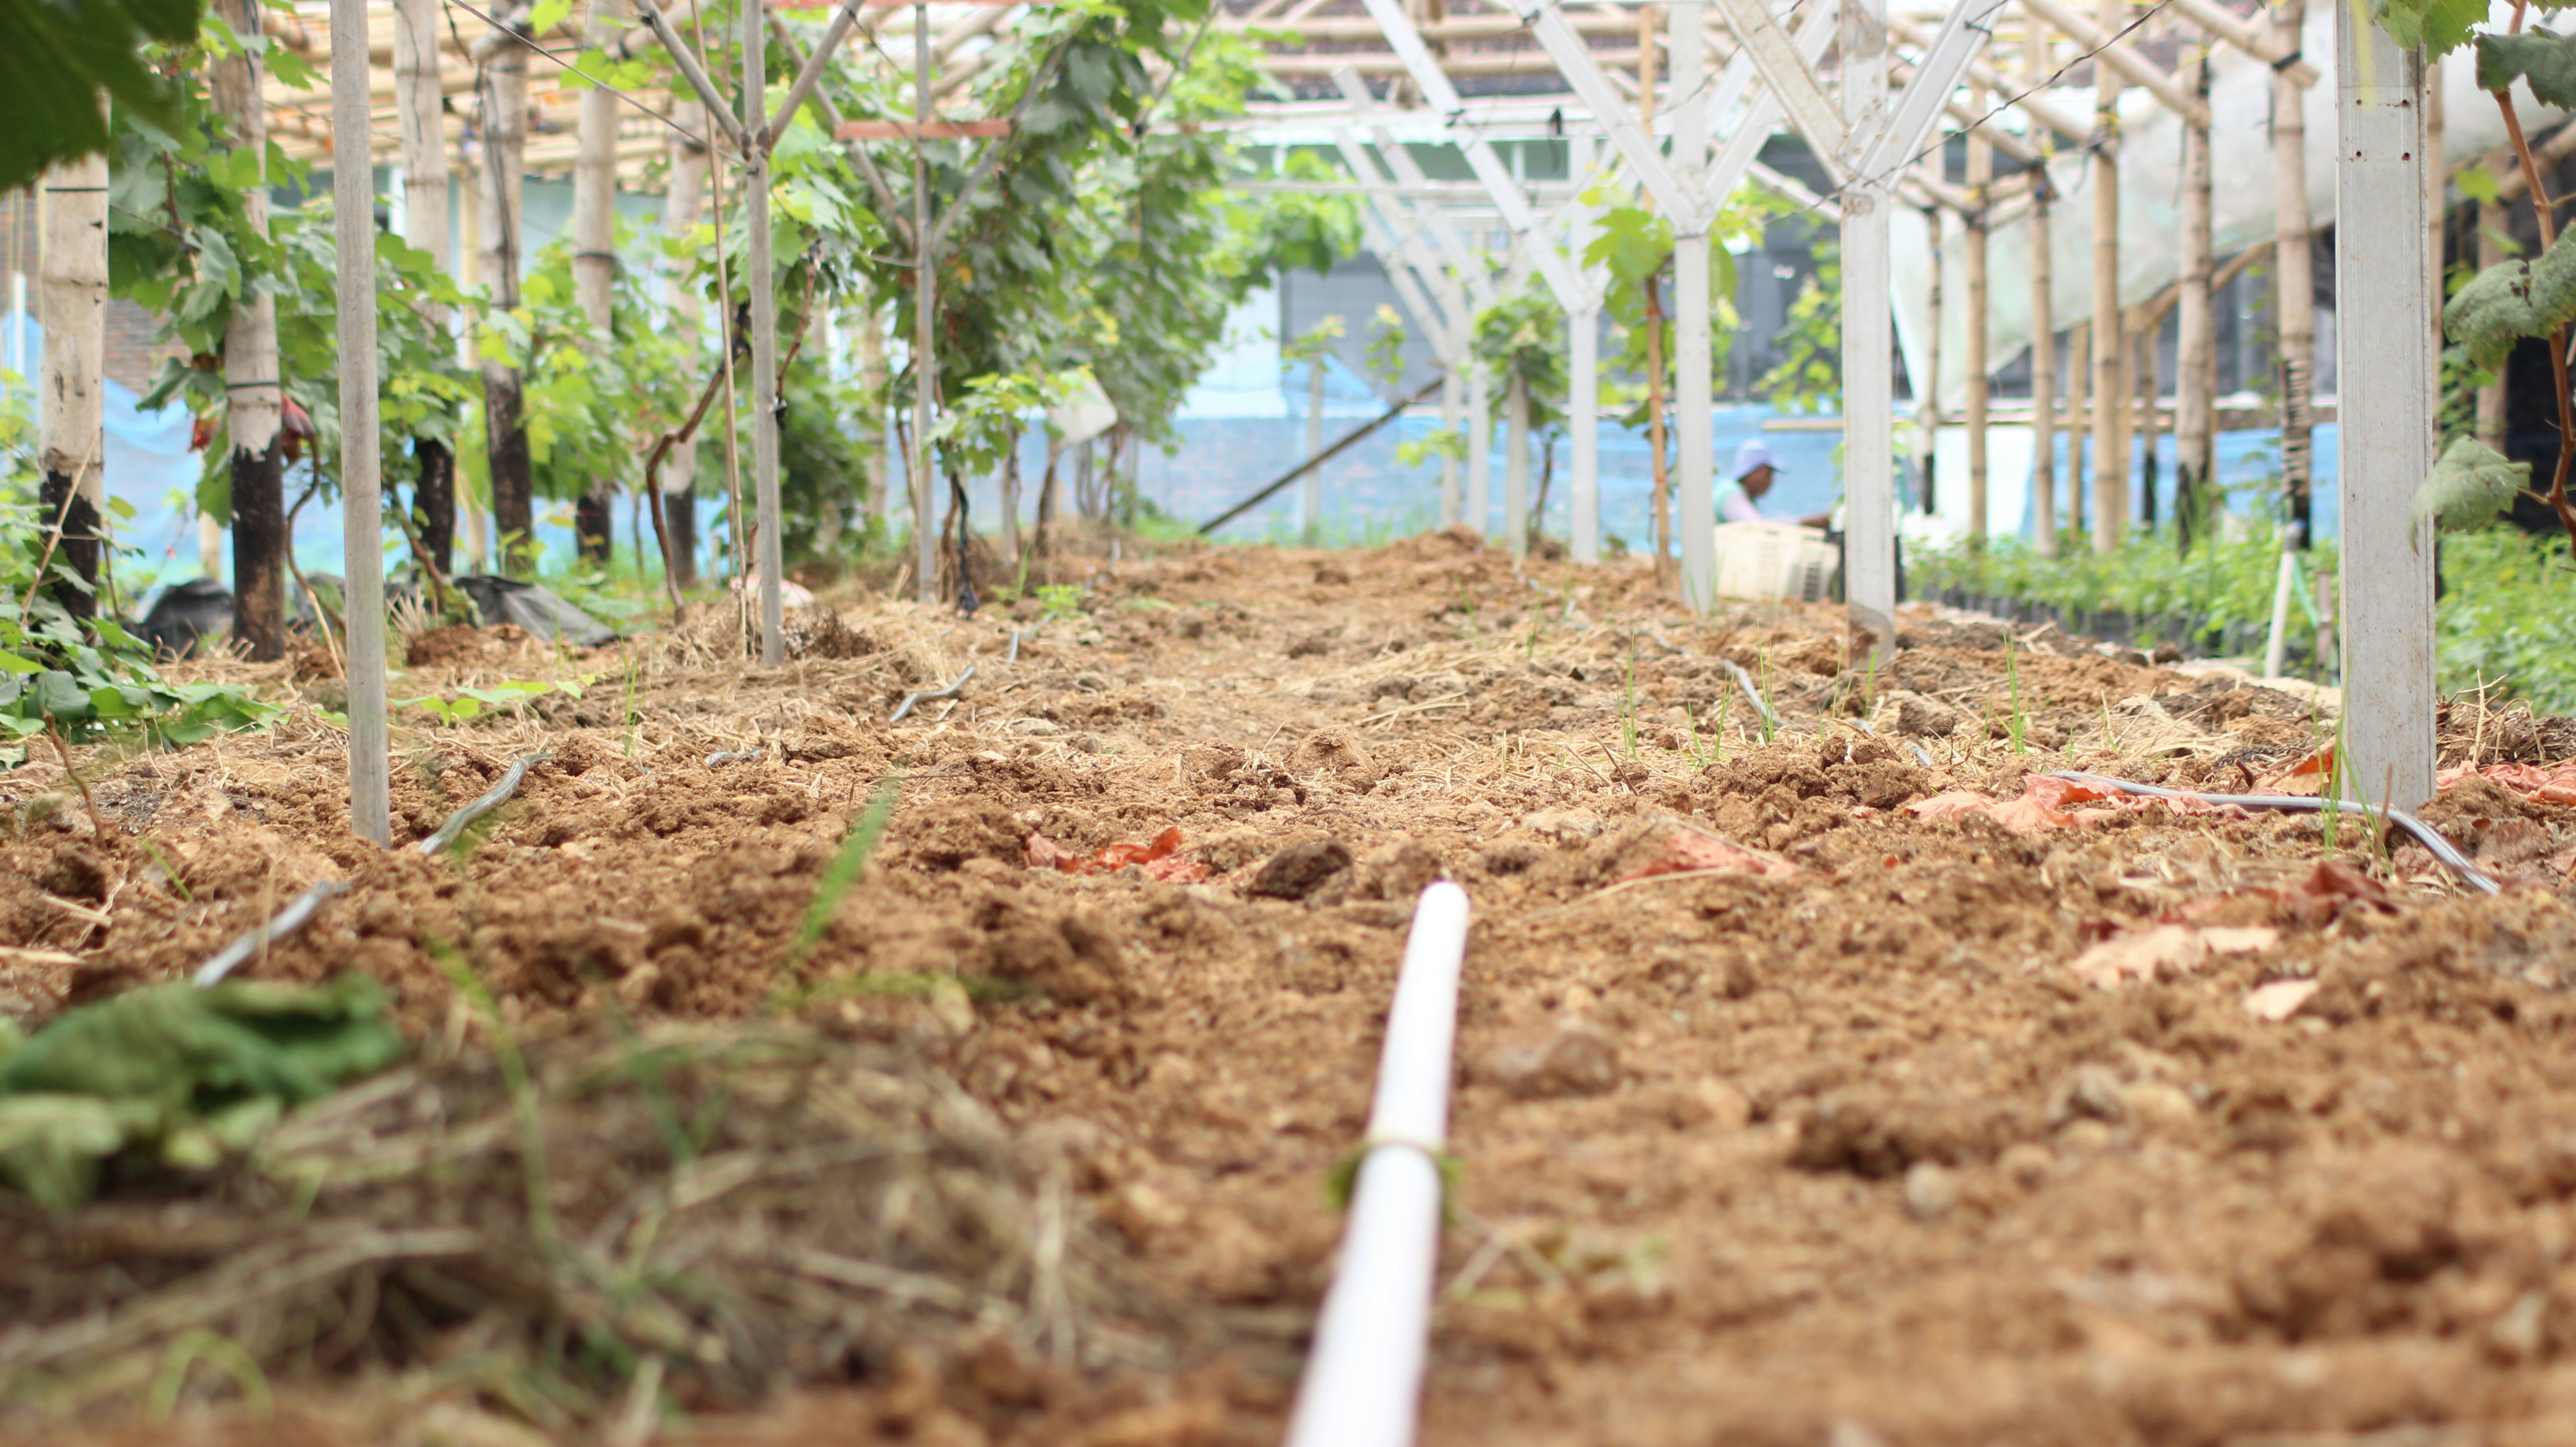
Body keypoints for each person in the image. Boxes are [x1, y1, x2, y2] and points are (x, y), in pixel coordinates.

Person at [1718, 439, 1832, 529]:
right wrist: (1803, 523)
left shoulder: (1741, 494)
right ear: (1752, 471)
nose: (1771, 481)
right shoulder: (1731, 493)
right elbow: (1758, 528)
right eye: (1768, 474)